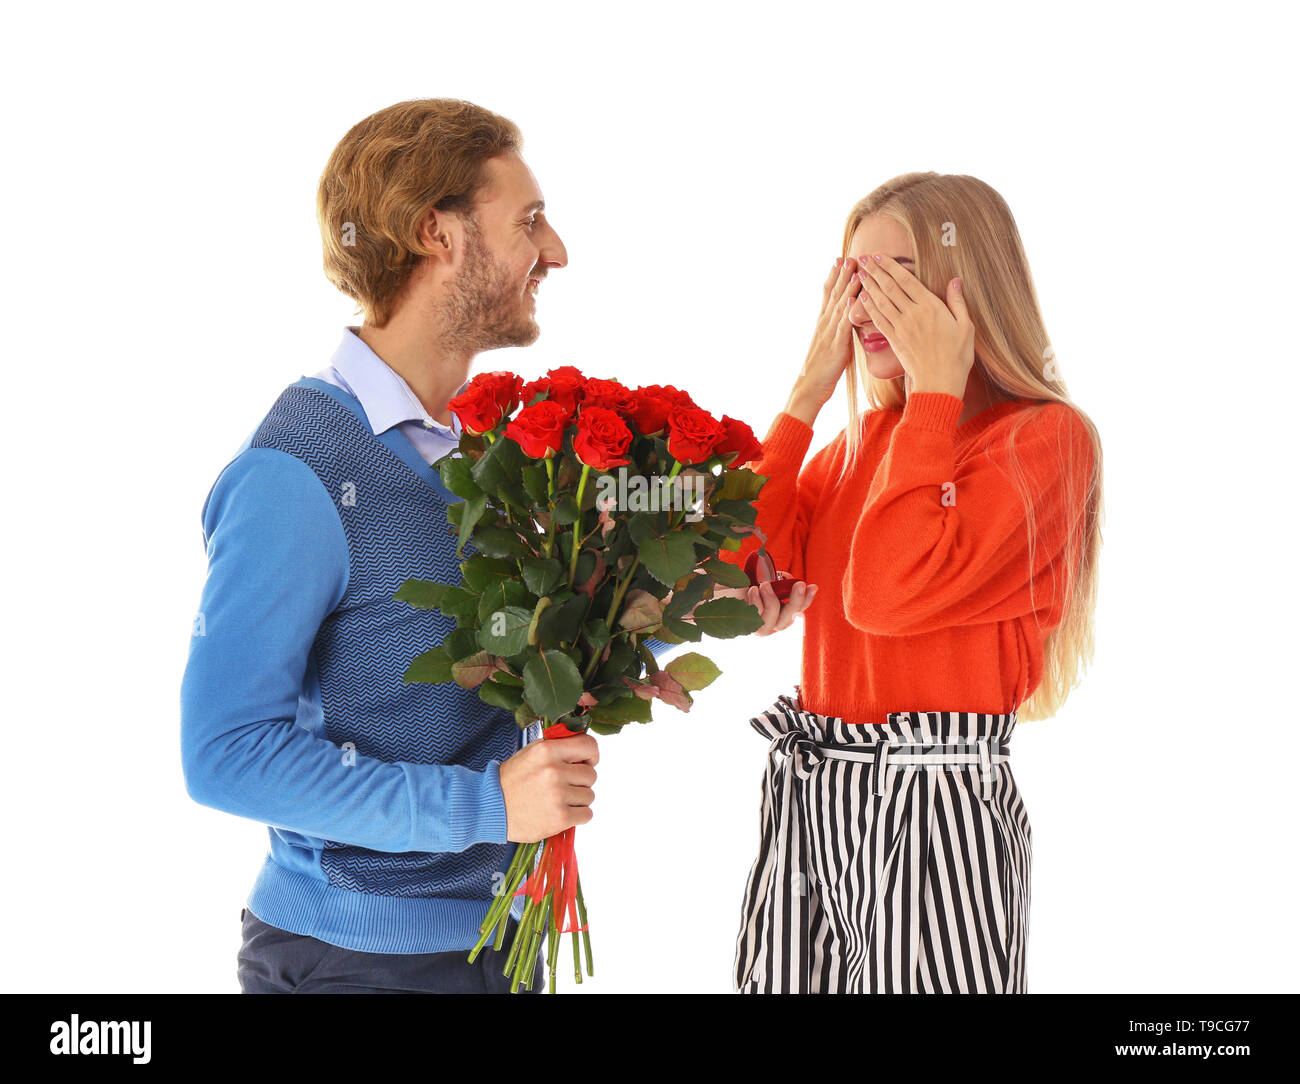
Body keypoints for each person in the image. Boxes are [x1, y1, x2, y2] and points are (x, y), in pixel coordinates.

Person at [183, 98, 613, 993]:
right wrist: (485, 806)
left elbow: (506, 671)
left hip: (498, 943)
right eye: (527, 221)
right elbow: (225, 754)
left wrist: (656, 609)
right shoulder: (295, 472)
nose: (557, 250)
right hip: (362, 961)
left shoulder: (482, 453)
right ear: (436, 233)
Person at [721, 172, 1103, 993]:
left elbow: (886, 594)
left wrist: (935, 394)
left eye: (897, 276)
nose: (865, 306)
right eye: (852, 279)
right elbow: (727, 579)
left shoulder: (1045, 439)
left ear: (972, 284)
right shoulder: (856, 449)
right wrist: (806, 392)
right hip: (814, 789)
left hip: (937, 798)